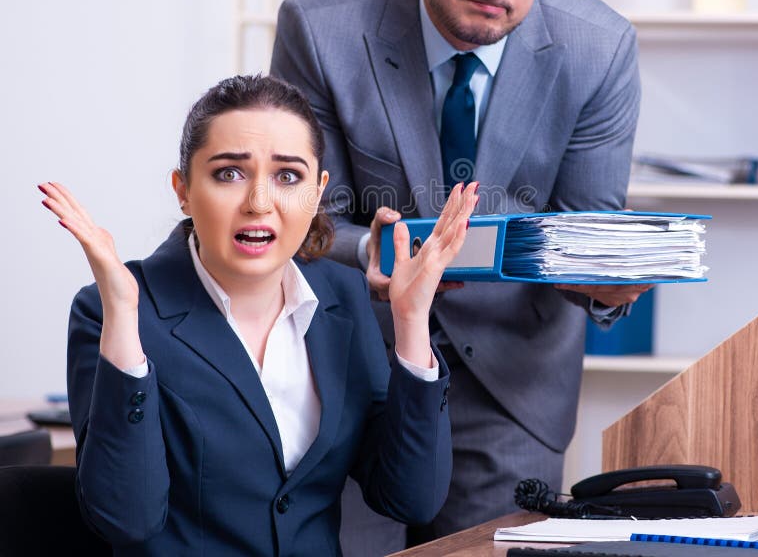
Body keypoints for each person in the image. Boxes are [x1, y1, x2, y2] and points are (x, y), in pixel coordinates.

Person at [270, 0, 653, 552]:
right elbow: (302, 216)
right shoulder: (320, 27)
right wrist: (374, 256)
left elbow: (588, 228)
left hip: (513, 381)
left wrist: (608, 282)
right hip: (352, 371)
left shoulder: (600, 48)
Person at [38, 74, 478, 556]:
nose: (259, 203)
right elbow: (127, 519)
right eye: (229, 173)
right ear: (182, 189)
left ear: (317, 191)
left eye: (288, 176)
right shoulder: (112, 309)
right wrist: (124, 320)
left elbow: (409, 498)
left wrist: (412, 324)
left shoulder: (343, 298)